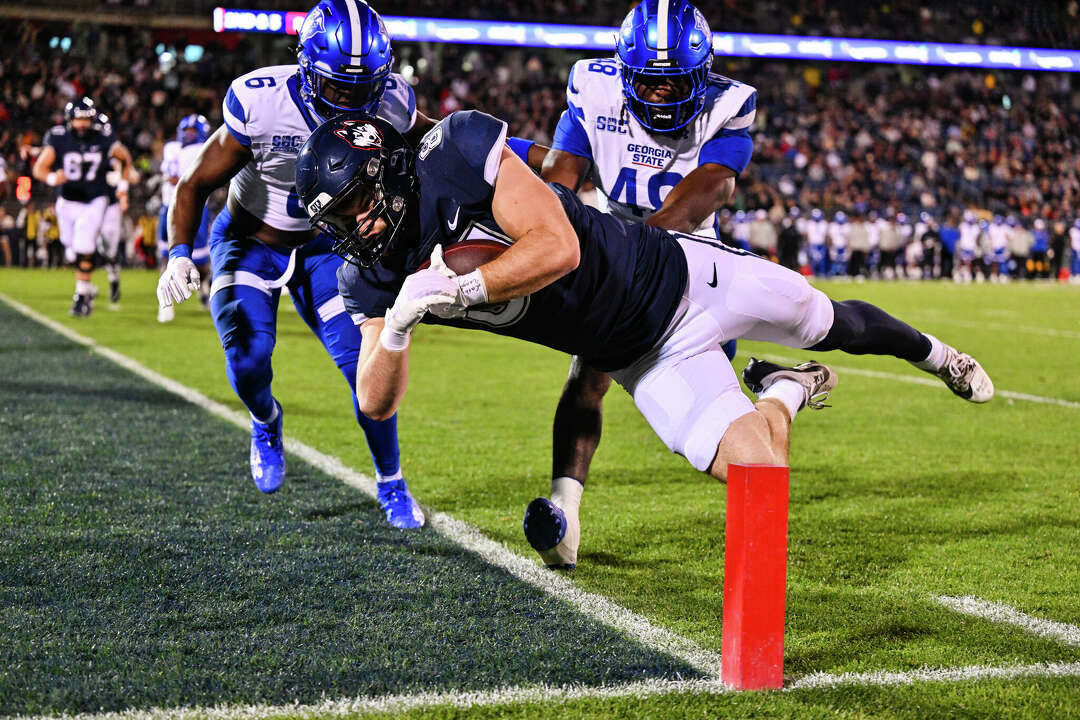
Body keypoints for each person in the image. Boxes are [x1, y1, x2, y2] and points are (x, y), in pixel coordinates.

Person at [294, 111, 995, 571]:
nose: (362, 227)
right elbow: (375, 403)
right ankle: (786, 388)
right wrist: (401, 329)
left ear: (384, 166)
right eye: (342, 219)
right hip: (642, 355)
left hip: (685, 275)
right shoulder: (372, 274)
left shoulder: (456, 151)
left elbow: (558, 246)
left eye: (359, 202)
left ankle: (936, 353)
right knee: (761, 485)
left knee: (833, 321)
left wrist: (462, 289)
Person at [156, 0, 432, 526]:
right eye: (339, 89)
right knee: (248, 358)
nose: (353, 101)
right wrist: (175, 254)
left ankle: (391, 482)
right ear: (307, 70)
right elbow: (193, 183)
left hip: (328, 249)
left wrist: (511, 153)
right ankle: (266, 419)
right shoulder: (262, 102)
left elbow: (440, 142)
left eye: (364, 89)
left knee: (365, 369)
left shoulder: (392, 102)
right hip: (249, 241)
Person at [522, 0, 750, 566]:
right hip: (615, 252)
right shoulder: (590, 88)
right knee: (586, 377)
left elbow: (710, 190)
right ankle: (564, 514)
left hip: (694, 269)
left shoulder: (731, 102)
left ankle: (785, 392)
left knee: (712, 435)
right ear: (625, 73)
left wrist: (632, 249)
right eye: (648, 84)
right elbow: (560, 180)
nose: (660, 97)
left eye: (675, 85)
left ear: (701, 76)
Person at [32, 96, 137, 317]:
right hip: (67, 201)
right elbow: (40, 168)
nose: (82, 124)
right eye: (78, 119)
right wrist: (52, 178)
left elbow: (125, 157)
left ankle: (81, 298)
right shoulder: (58, 137)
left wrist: (124, 187)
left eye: (86, 119)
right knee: (71, 250)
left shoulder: (103, 136)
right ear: (70, 120)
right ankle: (88, 286)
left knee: (83, 246)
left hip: (94, 200)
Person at [157, 114, 214, 322]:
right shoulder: (170, 147)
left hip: (194, 208)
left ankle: (204, 288)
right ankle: (166, 303)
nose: (189, 135)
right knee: (166, 256)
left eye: (193, 131)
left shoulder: (205, 149)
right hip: (168, 206)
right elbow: (167, 174)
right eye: (186, 131)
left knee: (199, 260)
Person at [95, 112, 140, 307]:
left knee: (109, 245)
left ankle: (113, 278)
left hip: (111, 204)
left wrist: (123, 187)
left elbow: (134, 176)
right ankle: (87, 282)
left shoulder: (117, 153)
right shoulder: (89, 150)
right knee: (90, 244)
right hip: (92, 202)